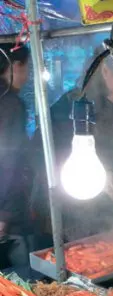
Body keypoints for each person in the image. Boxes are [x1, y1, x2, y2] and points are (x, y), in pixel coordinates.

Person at [31, 36, 113, 242]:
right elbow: (40, 161)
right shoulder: (71, 108)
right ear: (105, 71)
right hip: (74, 226)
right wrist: (97, 177)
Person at [0, 43, 31, 266]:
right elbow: (11, 161)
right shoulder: (10, 104)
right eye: (27, 68)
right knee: (20, 285)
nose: (28, 76)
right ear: (15, 66)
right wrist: (5, 214)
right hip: (7, 217)